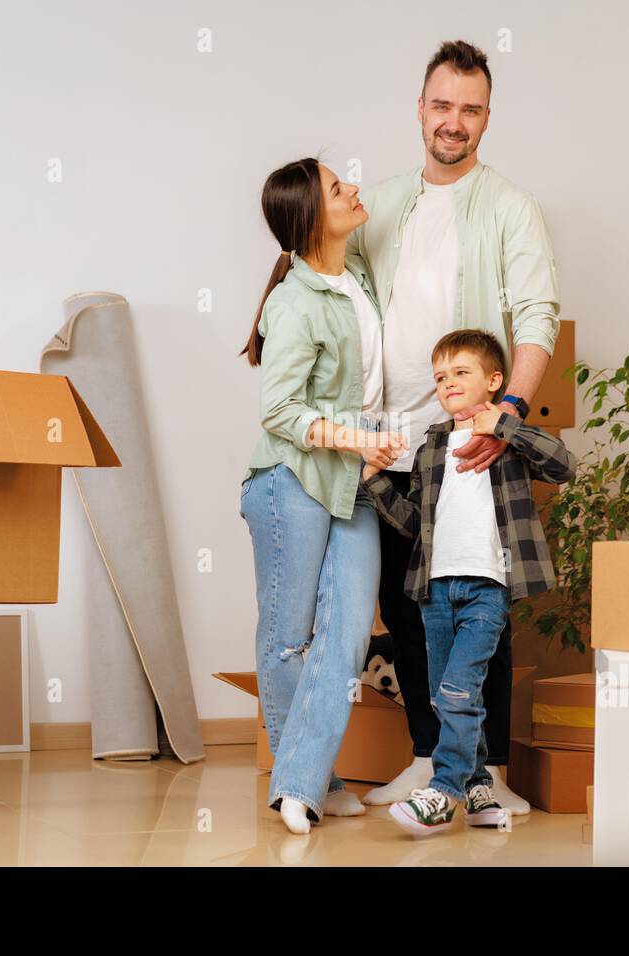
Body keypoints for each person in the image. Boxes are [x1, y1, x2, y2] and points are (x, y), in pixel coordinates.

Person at [347, 40, 563, 810]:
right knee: (408, 605)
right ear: (421, 108)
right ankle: (430, 754)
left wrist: (507, 414)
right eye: (442, 106)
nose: (454, 122)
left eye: (470, 110)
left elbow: (540, 315)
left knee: (480, 603)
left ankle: (491, 773)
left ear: (486, 118)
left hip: (467, 443)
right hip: (392, 436)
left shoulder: (509, 207)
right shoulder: (384, 203)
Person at [238, 158, 407, 835]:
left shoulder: (358, 277)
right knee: (287, 641)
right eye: (340, 189)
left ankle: (302, 780)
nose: (355, 190)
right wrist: (356, 440)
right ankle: (307, 784)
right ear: (311, 217)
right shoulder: (293, 301)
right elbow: (279, 410)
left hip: (354, 480)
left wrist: (372, 443)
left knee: (344, 637)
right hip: (292, 480)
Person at [362, 329, 573, 836]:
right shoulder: (433, 444)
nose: (448, 383)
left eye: (462, 372)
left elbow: (564, 466)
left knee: (459, 688)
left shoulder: (507, 437)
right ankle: (479, 787)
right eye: (440, 377)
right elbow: (413, 522)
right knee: (445, 694)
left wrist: (508, 426)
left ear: (494, 380)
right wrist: (371, 480)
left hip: (486, 587)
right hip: (435, 590)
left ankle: (444, 791)